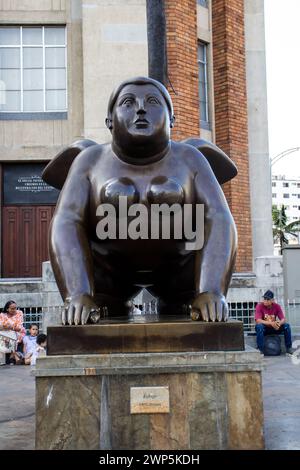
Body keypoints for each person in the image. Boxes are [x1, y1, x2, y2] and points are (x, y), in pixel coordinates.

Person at [43, 76, 237, 325]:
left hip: (181, 275)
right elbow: (67, 221)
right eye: (128, 102)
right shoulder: (89, 161)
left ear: (172, 119)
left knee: (189, 314)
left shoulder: (191, 158)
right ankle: (97, 299)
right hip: (107, 277)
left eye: (153, 101)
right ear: (109, 120)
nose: (141, 108)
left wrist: (211, 288)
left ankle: (196, 297)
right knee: (100, 316)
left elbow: (218, 218)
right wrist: (77, 292)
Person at [255, 290, 293, 355]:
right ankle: (260, 350)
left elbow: (283, 319)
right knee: (259, 326)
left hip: (274, 328)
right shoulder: (259, 306)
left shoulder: (277, 306)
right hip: (264, 329)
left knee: (287, 326)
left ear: (272, 300)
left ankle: (288, 348)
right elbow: (258, 320)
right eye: (264, 299)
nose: (265, 301)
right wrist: (271, 323)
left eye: (267, 299)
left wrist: (279, 323)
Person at [0, 300, 26, 364]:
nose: (14, 310)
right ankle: (14, 355)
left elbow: (19, 327)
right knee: (5, 335)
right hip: (5, 333)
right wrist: (8, 327)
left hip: (18, 333)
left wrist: (10, 327)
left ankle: (12, 355)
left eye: (15, 308)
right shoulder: (2, 315)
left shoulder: (19, 313)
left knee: (10, 335)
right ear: (7, 309)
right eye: (12, 308)